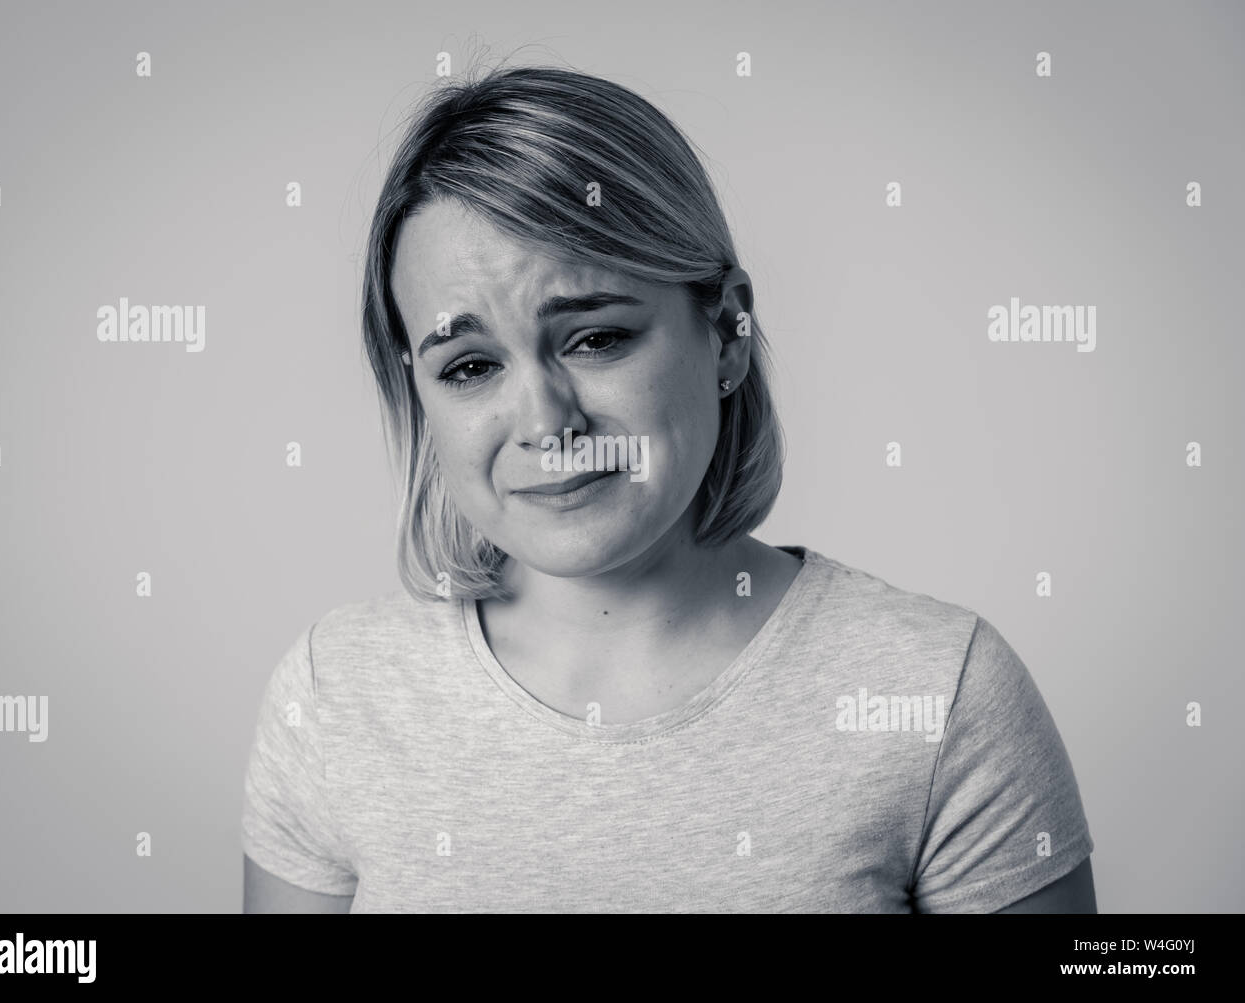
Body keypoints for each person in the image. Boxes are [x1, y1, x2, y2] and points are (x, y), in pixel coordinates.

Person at [242, 64, 1096, 913]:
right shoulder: (334, 695)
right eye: (469, 365)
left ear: (727, 333)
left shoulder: (940, 693)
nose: (546, 421)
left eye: (595, 339)